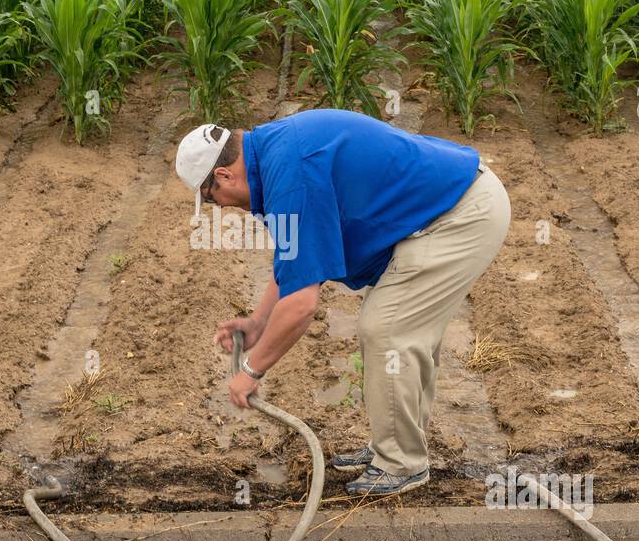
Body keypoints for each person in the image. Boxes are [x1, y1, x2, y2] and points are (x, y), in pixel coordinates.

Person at [176, 110, 510, 497]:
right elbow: (296, 263)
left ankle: (401, 462)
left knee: (387, 328)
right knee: (395, 329)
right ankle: (394, 446)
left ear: (223, 176)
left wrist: (251, 371)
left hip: (461, 214)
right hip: (440, 211)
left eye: (212, 198)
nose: (221, 207)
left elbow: (302, 304)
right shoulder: (273, 156)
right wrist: (259, 321)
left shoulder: (289, 175)